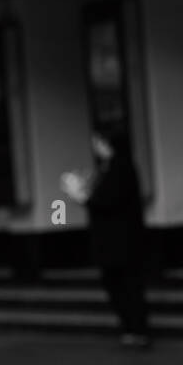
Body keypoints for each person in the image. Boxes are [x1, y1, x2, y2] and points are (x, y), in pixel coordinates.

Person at [62, 126, 150, 346]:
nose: (95, 146)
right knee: (117, 283)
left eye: (97, 141)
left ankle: (136, 329)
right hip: (113, 241)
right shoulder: (108, 168)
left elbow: (106, 201)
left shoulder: (120, 168)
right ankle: (131, 328)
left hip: (121, 240)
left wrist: (80, 195)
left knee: (126, 285)